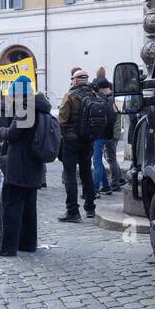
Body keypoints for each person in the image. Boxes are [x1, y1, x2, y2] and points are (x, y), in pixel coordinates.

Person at [0, 91, 53, 256]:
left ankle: (8, 247)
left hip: (19, 164)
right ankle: (27, 244)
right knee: (28, 207)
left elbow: (13, 133)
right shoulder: (41, 108)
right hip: (34, 164)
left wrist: (1, 130)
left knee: (10, 206)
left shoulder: (26, 109)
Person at [57, 67, 99, 223]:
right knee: (87, 174)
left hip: (71, 141)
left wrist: (63, 135)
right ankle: (90, 208)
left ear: (75, 80)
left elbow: (62, 119)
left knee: (70, 176)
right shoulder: (94, 95)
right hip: (87, 141)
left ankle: (73, 211)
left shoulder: (70, 96)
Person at [91, 79, 121, 195]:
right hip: (110, 134)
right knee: (108, 158)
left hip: (107, 134)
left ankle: (99, 187)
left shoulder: (108, 100)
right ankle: (107, 185)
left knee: (107, 159)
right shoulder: (113, 98)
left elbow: (115, 119)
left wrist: (113, 135)